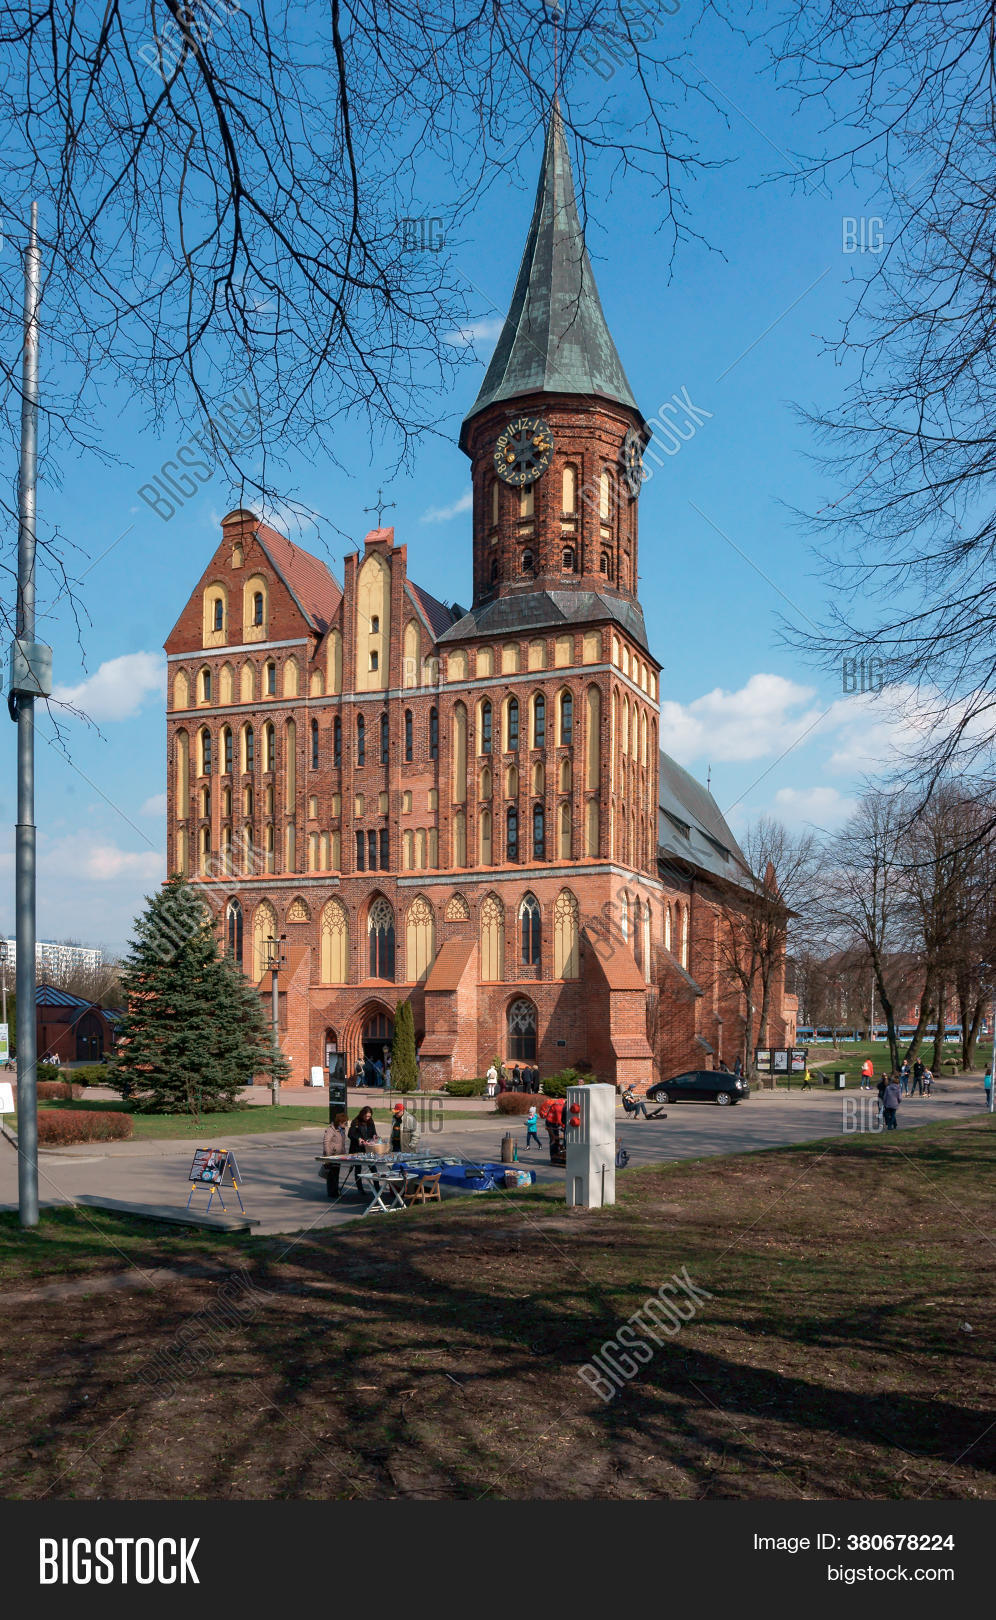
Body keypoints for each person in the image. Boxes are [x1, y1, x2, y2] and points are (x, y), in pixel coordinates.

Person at [320, 1110, 349, 1200]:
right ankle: (332, 1193)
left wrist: (344, 1153)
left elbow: (342, 1143)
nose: (346, 1124)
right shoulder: (331, 1129)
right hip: (331, 1156)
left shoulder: (341, 1130)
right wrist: (328, 1156)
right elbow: (326, 1142)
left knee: (336, 1174)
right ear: (339, 1122)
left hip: (338, 1156)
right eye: (345, 1123)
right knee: (331, 1175)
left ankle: (335, 1191)